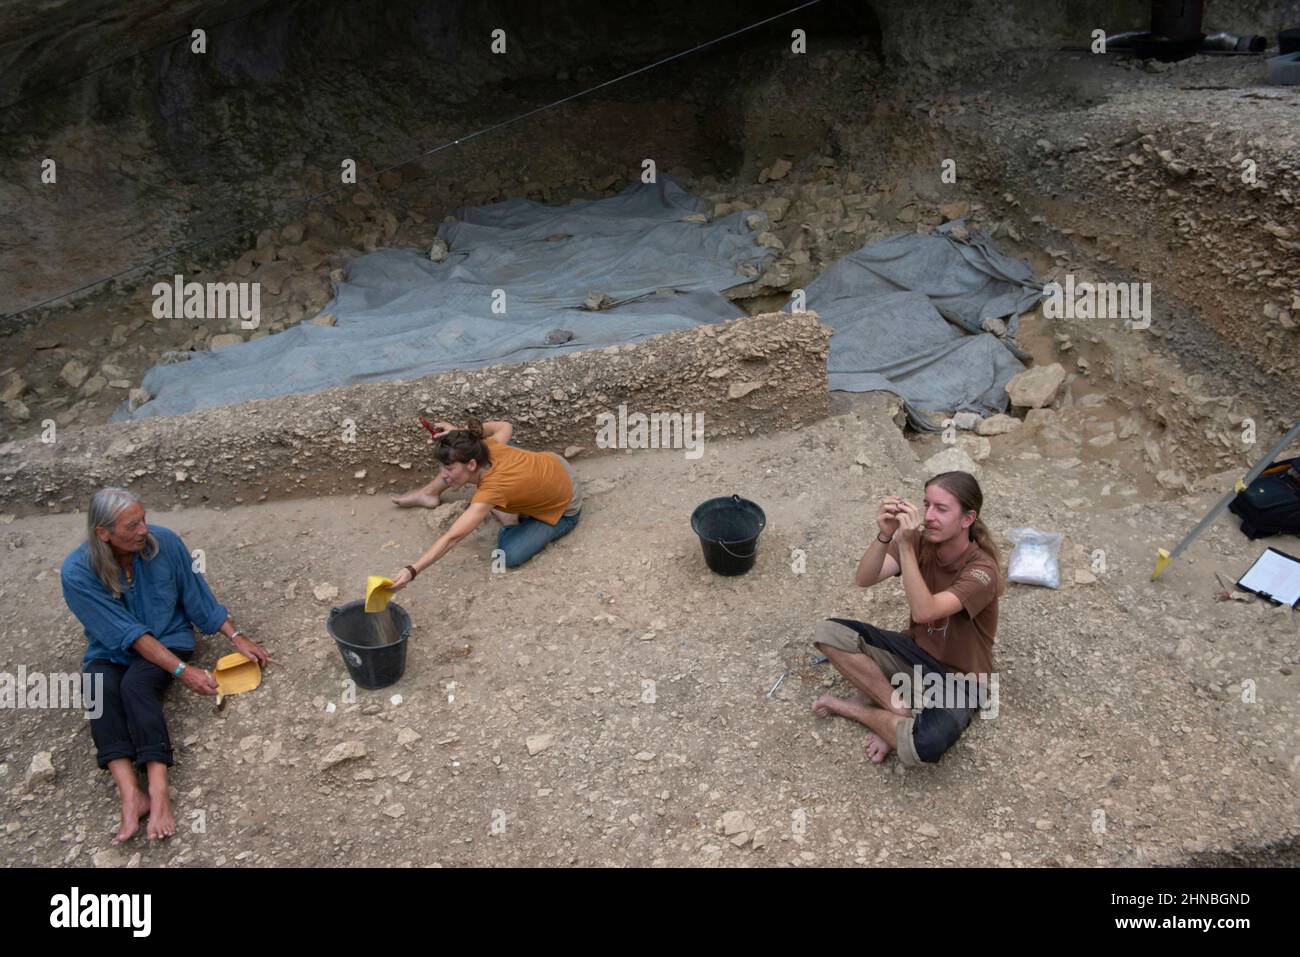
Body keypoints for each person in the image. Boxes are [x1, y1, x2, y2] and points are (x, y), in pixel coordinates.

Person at [60, 488, 269, 844]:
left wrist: (237, 636)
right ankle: (130, 794)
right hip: (113, 647)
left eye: (144, 519)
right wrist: (184, 673)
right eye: (132, 525)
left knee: (136, 687)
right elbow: (128, 635)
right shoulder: (77, 572)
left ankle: (158, 791)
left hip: (170, 638)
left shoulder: (165, 543)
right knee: (98, 687)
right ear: (103, 533)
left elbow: (198, 597)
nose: (144, 529)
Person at [811, 470, 1001, 766]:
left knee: (923, 745)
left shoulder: (983, 571)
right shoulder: (922, 543)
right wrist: (885, 534)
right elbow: (864, 578)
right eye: (926, 505)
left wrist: (904, 545)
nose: (929, 516)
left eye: (941, 508)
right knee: (829, 633)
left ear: (967, 519)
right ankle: (897, 710)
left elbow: (924, 611)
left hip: (961, 680)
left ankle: (859, 710)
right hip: (915, 654)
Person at [388, 417, 582, 588]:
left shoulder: (491, 491)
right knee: (466, 461)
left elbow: (452, 538)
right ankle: (428, 494)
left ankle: (509, 520)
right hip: (554, 463)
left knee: (510, 555)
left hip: (565, 506)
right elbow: (505, 426)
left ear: (472, 464)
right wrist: (460, 435)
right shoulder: (487, 447)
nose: (443, 473)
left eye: (448, 468)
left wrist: (412, 570)